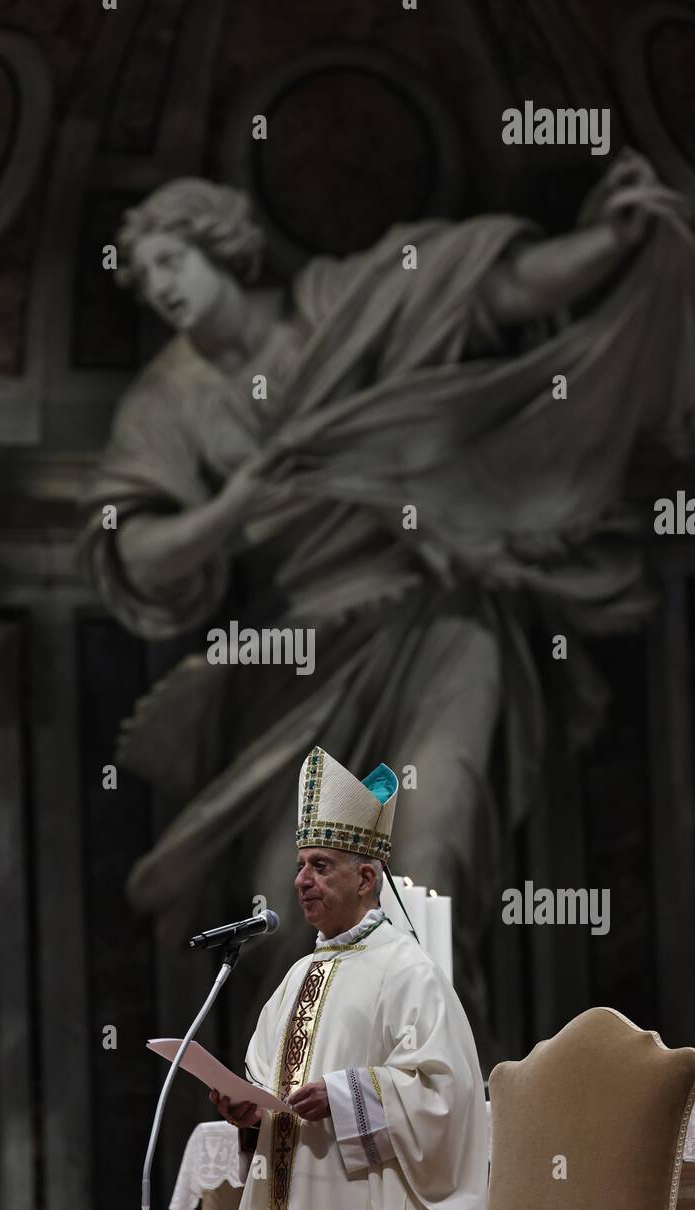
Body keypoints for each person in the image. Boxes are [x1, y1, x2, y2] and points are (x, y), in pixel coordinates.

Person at [77, 155, 695, 1065]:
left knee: (426, 862)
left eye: (171, 260)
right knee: (288, 910)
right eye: (143, 277)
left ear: (220, 243)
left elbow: (496, 289)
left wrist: (608, 242)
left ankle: (428, 1111)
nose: (157, 287)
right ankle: (314, 1127)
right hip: (302, 656)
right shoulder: (166, 400)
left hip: (442, 618)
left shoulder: (342, 301)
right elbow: (131, 547)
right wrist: (235, 503)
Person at [209, 746, 488, 1210]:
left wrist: (346, 1096)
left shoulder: (408, 971)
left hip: (358, 1204)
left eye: (320, 865)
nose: (303, 881)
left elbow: (447, 1094)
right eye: (299, 866)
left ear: (366, 878)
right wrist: (245, 1112)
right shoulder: (294, 979)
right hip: (287, 1204)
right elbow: (265, 1086)